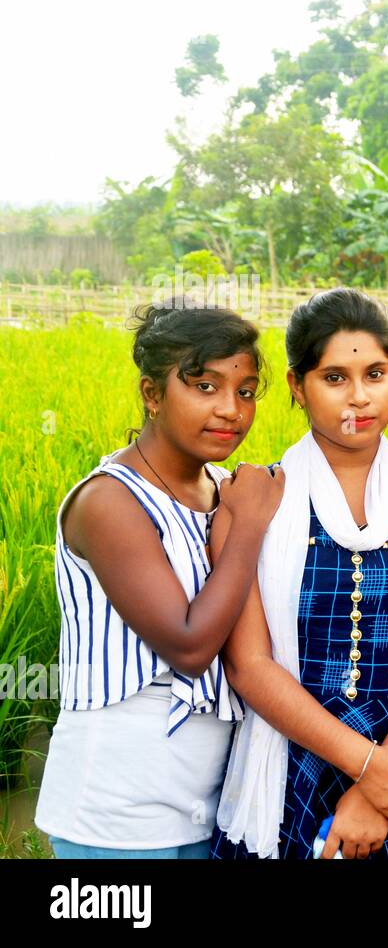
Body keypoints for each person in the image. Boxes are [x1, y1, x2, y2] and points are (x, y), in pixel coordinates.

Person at [210, 288, 388, 859]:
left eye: (376, 374)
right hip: (294, 759)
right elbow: (248, 663)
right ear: (296, 387)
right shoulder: (257, 498)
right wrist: (366, 765)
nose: (359, 398)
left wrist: (381, 787)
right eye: (335, 378)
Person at [35, 299, 283, 858]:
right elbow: (190, 645)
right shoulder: (110, 501)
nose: (230, 410)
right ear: (152, 394)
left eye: (244, 392)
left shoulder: (227, 489)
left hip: (206, 810)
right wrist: (244, 529)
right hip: (113, 816)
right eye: (204, 386)